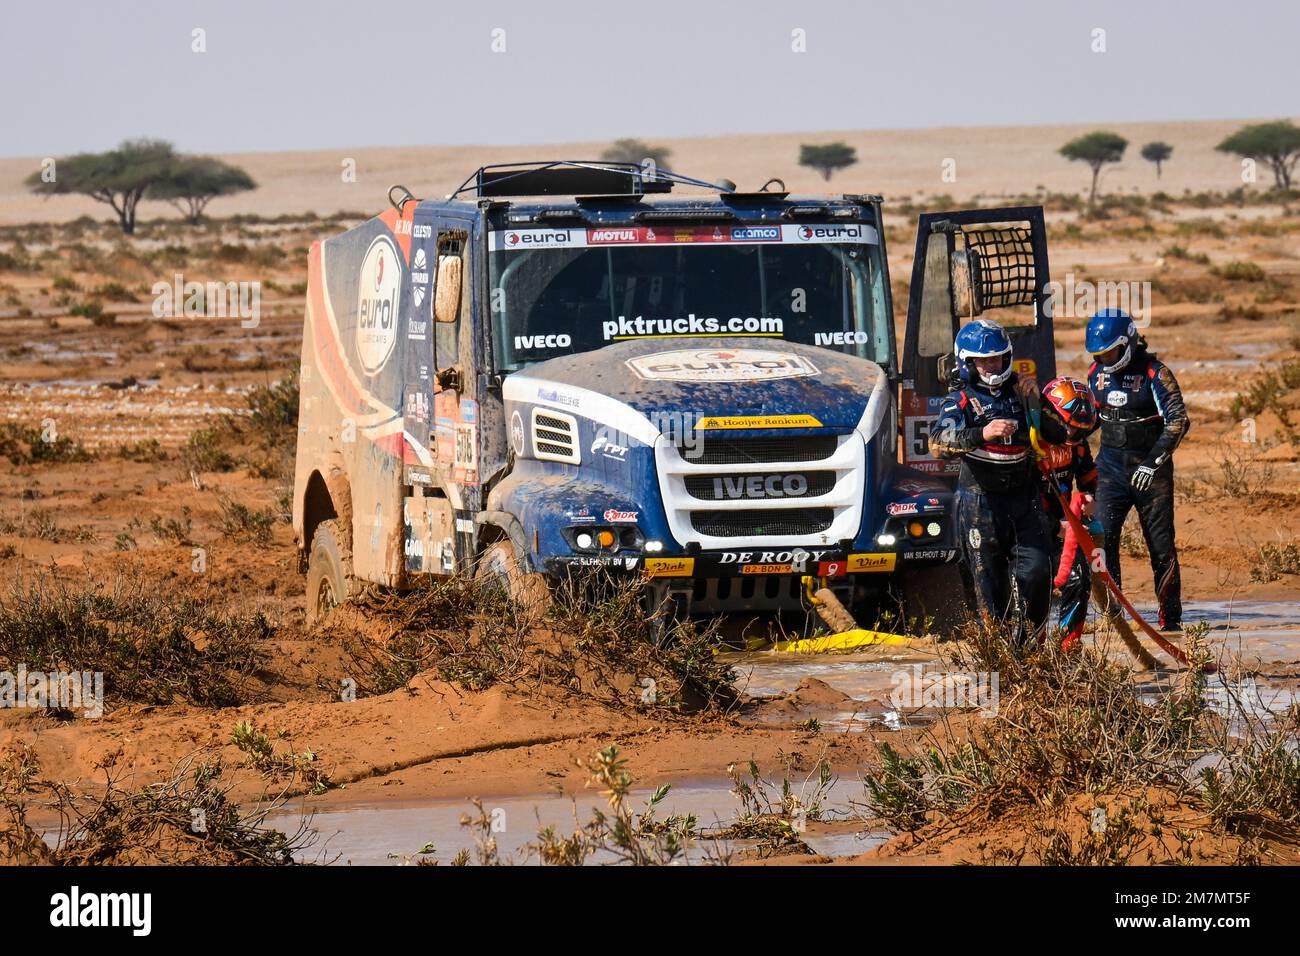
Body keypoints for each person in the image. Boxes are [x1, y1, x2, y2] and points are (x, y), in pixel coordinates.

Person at [930, 318, 1051, 644]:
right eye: (983, 360)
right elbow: (938, 444)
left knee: (1038, 572)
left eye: (996, 358)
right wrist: (982, 433)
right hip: (980, 501)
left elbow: (1061, 432)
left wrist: (1040, 402)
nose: (991, 365)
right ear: (967, 361)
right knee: (989, 584)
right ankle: (997, 663)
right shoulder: (960, 399)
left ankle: (1033, 653)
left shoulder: (1023, 390)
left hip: (1024, 497)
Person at [1085, 308, 1190, 631]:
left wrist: (1152, 463)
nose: (1104, 359)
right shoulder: (1094, 375)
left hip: (1151, 473)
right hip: (1110, 470)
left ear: (1127, 342)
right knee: (1103, 539)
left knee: (1160, 545)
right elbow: (1087, 420)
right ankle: (1113, 615)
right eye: (1098, 354)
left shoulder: (1157, 374)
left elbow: (1178, 422)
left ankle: (1170, 619)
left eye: (1110, 352)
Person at [1035, 376, 1099, 646]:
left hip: (1065, 528)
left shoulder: (1079, 446)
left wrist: (1092, 500)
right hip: (1027, 528)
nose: (1073, 436)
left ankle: (1068, 648)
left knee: (1079, 577)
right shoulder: (1031, 446)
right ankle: (1028, 652)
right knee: (1033, 583)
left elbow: (1089, 477)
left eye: (1080, 430)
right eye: (1069, 429)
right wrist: (1053, 527)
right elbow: (1019, 501)